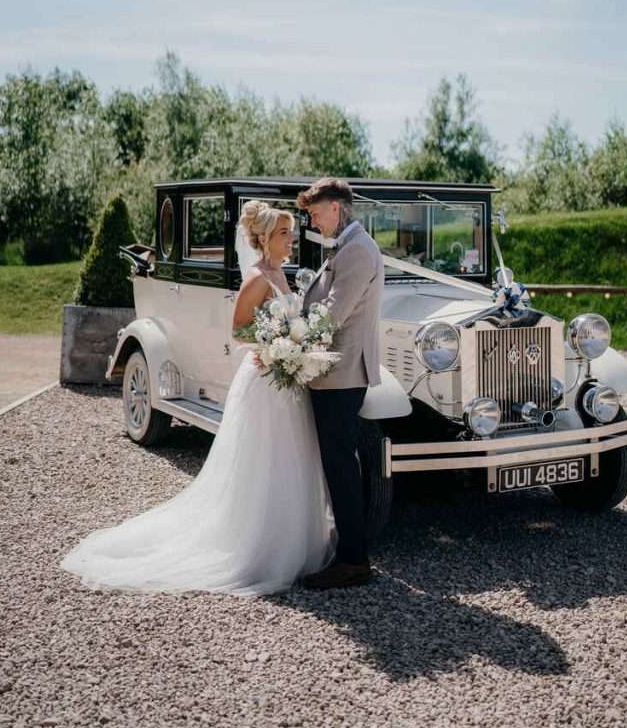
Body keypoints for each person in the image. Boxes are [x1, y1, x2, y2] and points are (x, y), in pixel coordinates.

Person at [60, 200, 334, 595]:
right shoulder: (258, 277)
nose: (292, 240)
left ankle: (291, 537)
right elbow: (238, 329)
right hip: (264, 377)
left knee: (288, 457)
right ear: (263, 240)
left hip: (283, 380)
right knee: (265, 460)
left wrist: (297, 342)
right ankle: (259, 546)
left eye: (290, 232)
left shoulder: (280, 273)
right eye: (284, 233)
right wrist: (274, 346)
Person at [296, 177, 384, 590]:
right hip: (337, 371)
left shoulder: (358, 252)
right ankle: (348, 548)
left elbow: (331, 318)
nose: (313, 222)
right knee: (337, 460)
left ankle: (353, 559)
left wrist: (290, 337)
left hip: (342, 372)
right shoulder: (349, 249)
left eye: (315, 214)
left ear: (336, 207)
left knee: (341, 462)